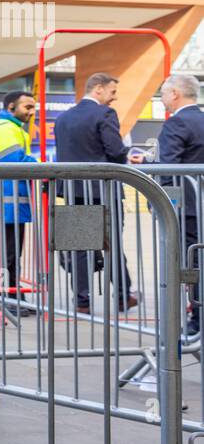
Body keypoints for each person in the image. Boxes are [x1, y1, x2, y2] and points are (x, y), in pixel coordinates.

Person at [54, 72, 141, 315]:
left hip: (73, 190)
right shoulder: (105, 114)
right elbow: (114, 150)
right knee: (111, 245)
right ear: (99, 89)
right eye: (112, 92)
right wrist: (127, 155)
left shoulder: (63, 119)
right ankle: (123, 296)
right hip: (103, 190)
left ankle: (82, 301)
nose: (114, 98)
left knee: (78, 246)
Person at [157, 74, 204, 335]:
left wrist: (166, 206)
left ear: (175, 93)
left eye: (164, 94)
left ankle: (198, 319)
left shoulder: (176, 124)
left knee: (193, 262)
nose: (163, 100)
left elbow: (169, 170)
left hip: (189, 208)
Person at [0, 90, 37, 315]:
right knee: (9, 253)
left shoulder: (11, 128)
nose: (31, 112)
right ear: (11, 107)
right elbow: (16, 162)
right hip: (8, 201)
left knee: (12, 252)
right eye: (27, 107)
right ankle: (9, 299)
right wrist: (42, 164)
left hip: (10, 201)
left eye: (33, 107)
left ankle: (15, 297)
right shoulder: (7, 129)